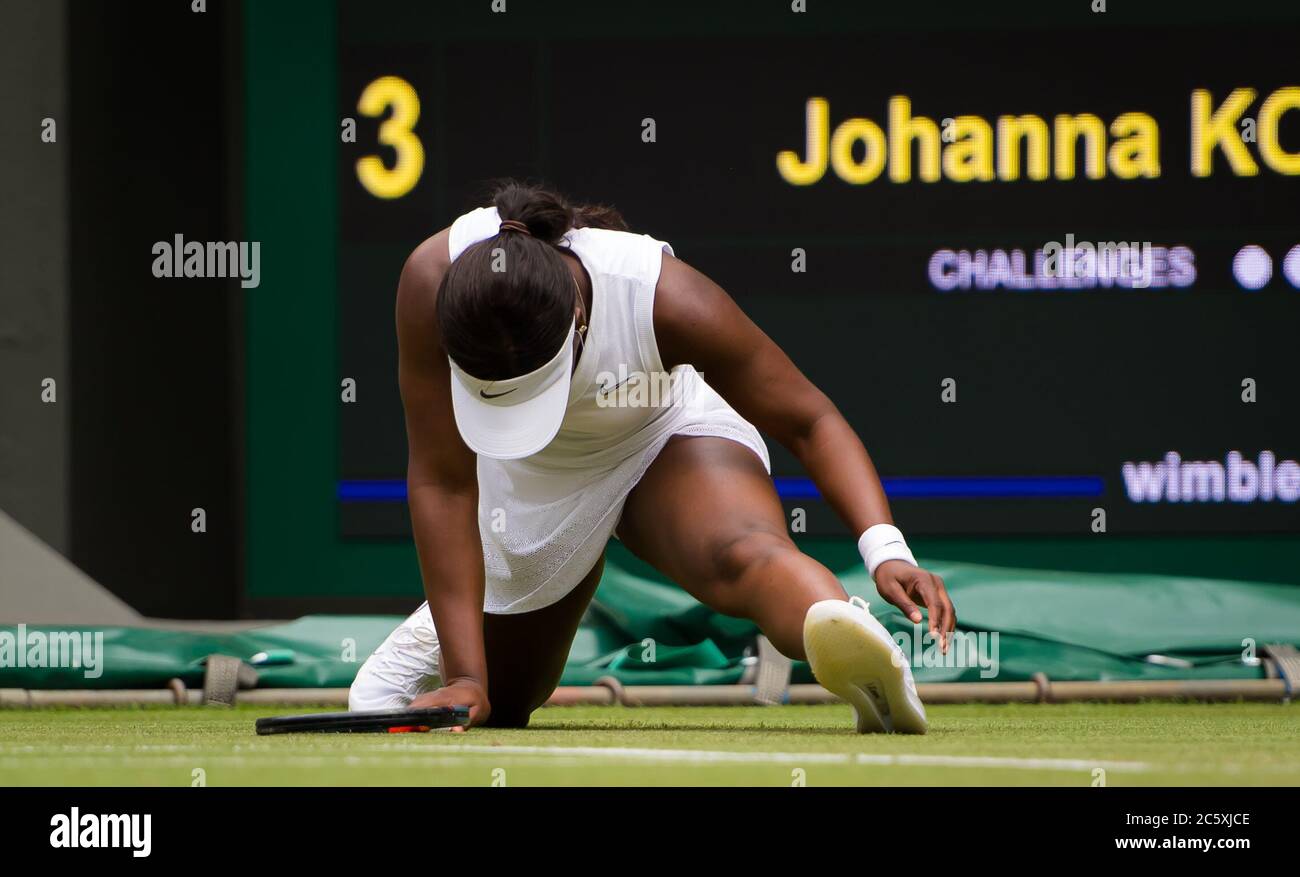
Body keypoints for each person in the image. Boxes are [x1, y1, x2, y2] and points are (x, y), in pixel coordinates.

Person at [349, 182, 955, 733]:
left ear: (579, 318)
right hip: (531, 481)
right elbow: (444, 483)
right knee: (500, 708)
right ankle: (457, 639)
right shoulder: (431, 280)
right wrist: (466, 679)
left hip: (661, 434)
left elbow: (809, 418)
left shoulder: (664, 295)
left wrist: (884, 549)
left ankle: (852, 637)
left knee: (742, 553)